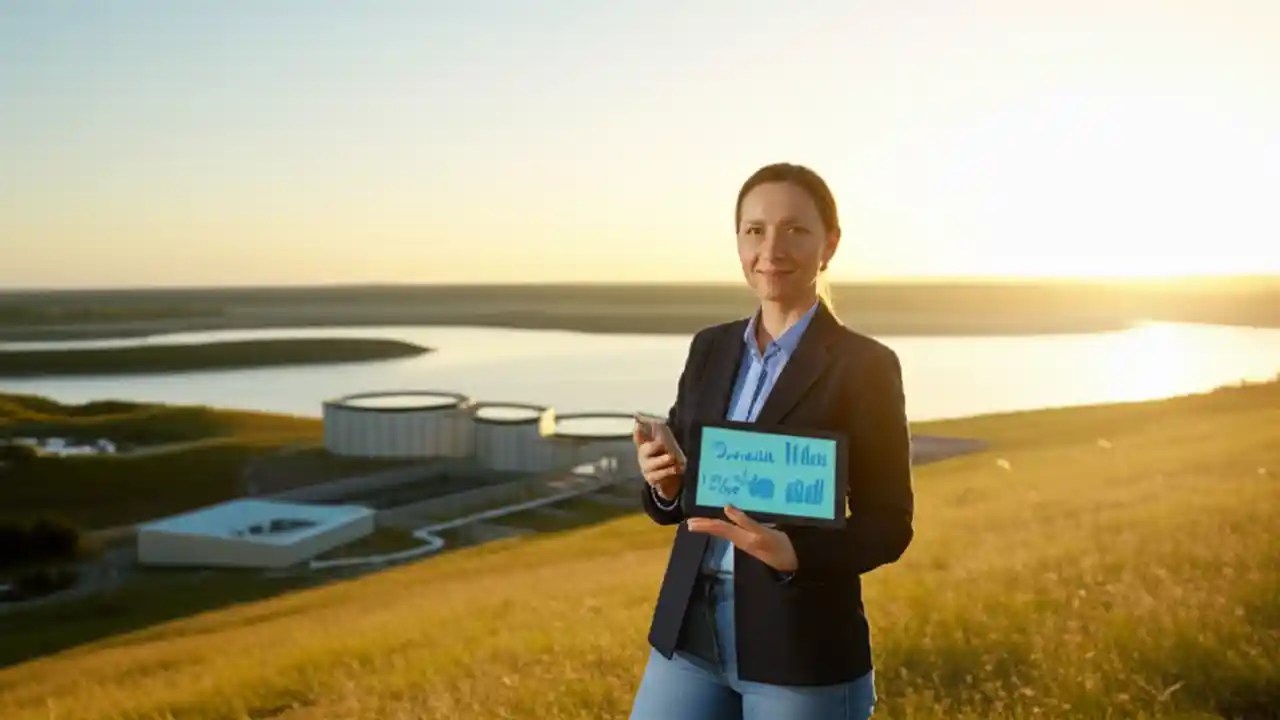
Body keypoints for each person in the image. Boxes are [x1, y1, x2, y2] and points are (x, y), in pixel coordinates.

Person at [628, 162, 915, 720]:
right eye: (755, 230)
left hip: (800, 646)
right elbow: (682, 496)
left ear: (830, 244)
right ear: (738, 240)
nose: (771, 249)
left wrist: (795, 553)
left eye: (795, 230)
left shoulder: (866, 366)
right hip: (688, 635)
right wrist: (666, 484)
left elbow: (889, 524)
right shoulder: (709, 349)